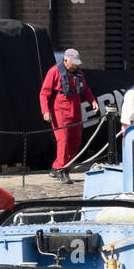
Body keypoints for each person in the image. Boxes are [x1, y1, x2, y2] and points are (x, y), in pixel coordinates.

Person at [40, 48, 97, 182]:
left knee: (75, 141)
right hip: (60, 110)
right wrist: (45, 111)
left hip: (75, 109)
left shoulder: (78, 73)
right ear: (65, 60)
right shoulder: (54, 71)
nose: (76, 65)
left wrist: (92, 100)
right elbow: (44, 93)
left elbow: (85, 89)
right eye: (74, 62)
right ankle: (62, 169)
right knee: (63, 141)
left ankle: (57, 167)